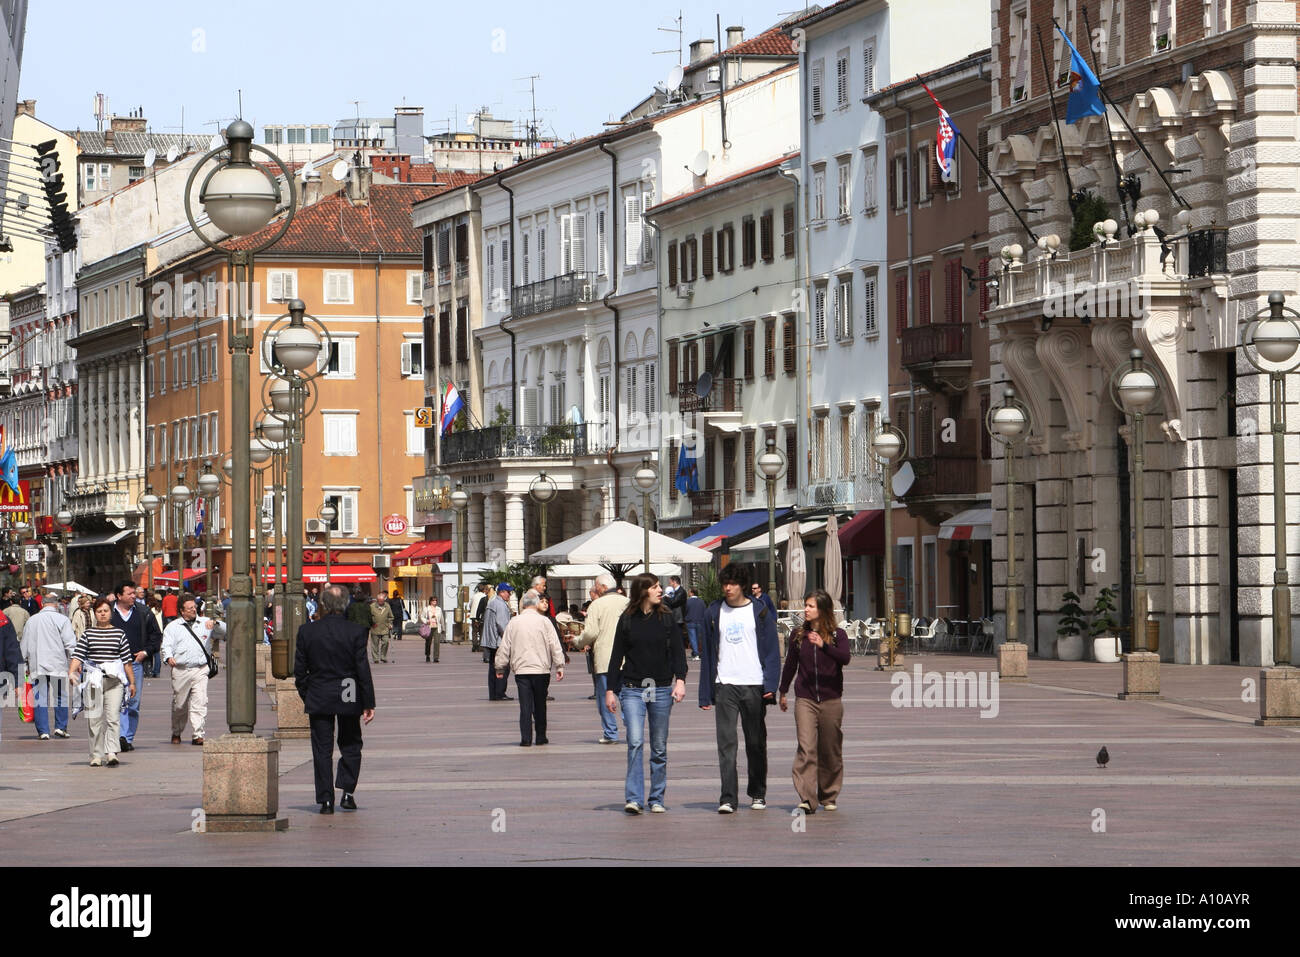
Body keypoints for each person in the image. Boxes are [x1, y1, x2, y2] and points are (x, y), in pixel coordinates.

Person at [698, 563, 781, 814]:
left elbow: (771, 652)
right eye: (725, 583)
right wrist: (705, 692)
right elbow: (708, 656)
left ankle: (757, 792)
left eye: (732, 583)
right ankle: (728, 798)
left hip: (754, 684)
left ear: (742, 585)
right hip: (725, 684)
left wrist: (771, 685)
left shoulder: (760, 611)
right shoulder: (713, 612)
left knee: (755, 742)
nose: (727, 588)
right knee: (726, 743)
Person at [605, 573, 688, 814]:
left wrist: (680, 680)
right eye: (654, 587)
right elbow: (616, 656)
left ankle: (656, 798)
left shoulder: (667, 618)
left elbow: (678, 654)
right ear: (643, 591)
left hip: (661, 688)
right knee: (635, 741)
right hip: (632, 689)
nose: (660, 590)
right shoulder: (627, 620)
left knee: (659, 747)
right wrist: (610, 690)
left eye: (659, 586)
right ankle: (633, 798)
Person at [294, 583, 376, 814]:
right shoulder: (356, 632)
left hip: (319, 690)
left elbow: (300, 671)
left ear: (323, 604)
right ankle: (347, 792)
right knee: (350, 743)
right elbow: (362, 669)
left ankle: (325, 800)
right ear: (346, 603)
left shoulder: (307, 631)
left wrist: (307, 693)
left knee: (321, 748)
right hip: (348, 689)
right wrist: (368, 702)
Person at [779, 589, 850, 813]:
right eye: (806, 606)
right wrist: (782, 691)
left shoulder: (838, 635)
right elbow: (790, 665)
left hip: (831, 699)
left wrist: (823, 645)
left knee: (830, 749)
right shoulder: (798, 636)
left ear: (823, 610)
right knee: (806, 747)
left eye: (811, 606)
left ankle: (828, 796)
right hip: (806, 699)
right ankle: (808, 799)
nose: (806, 610)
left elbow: (845, 658)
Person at [69, 597, 136, 767]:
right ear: (95, 614)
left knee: (113, 718)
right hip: (94, 681)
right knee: (94, 719)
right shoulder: (88, 634)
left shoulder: (119, 634)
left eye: (105, 611)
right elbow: (78, 655)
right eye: (99, 611)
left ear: (110, 613)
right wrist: (71, 672)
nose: (103, 614)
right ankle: (96, 754)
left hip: (115, 682)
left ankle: (111, 752)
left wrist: (132, 682)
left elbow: (127, 660)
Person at [494, 590, 565, 746]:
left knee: (525, 706)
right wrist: (559, 665)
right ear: (536, 604)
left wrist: (499, 667)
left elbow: (505, 646)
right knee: (540, 704)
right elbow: (555, 645)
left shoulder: (514, 622)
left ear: (523, 605)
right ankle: (541, 736)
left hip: (522, 671)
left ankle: (526, 738)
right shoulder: (544, 621)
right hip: (541, 670)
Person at [573, 573, 628, 744]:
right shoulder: (628, 602)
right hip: (627, 658)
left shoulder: (596, 605)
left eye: (597, 586)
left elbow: (591, 632)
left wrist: (577, 642)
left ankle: (611, 733)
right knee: (627, 695)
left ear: (603, 587)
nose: (595, 589)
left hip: (605, 658)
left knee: (605, 696)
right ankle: (633, 727)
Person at [111, 582, 162, 753]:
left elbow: (156, 636)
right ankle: (119, 736)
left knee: (132, 702)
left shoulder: (143, 612)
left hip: (135, 664)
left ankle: (127, 737)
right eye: (130, 593)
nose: (134, 596)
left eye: (134, 593)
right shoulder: (108, 612)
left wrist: (146, 652)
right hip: (112, 664)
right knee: (115, 702)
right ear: (119, 595)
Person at [161, 596, 215, 746]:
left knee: (200, 702)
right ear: (182, 611)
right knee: (180, 705)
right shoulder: (172, 627)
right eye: (190, 608)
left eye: (194, 607)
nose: (193, 609)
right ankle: (176, 731)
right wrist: (168, 657)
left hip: (201, 669)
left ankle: (198, 734)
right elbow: (166, 645)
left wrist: (217, 624)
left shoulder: (206, 623)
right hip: (181, 670)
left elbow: (224, 631)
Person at [20, 598, 77, 740]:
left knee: (40, 698)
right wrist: (76, 662)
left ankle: (43, 731)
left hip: (37, 664)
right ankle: (60, 727)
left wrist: (24, 665)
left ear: (42, 604)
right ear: (56, 604)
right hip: (57, 664)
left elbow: (24, 645)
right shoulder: (62, 619)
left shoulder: (32, 620)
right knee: (61, 696)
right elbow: (70, 643)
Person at [481, 583, 513, 701]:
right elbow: (502, 625)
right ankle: (500, 693)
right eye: (508, 592)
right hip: (499, 641)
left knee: (493, 667)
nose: (509, 594)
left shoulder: (492, 602)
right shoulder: (500, 605)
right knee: (503, 666)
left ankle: (493, 693)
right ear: (502, 592)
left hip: (491, 641)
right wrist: (508, 640)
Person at [0, 606, 20, 748]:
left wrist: (18, 680)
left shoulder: (3, 621)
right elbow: (12, 650)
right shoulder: (2, 620)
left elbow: (12, 650)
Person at [684, 587, 707, 661]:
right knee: (698, 638)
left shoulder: (688, 601)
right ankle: (698, 653)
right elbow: (705, 611)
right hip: (700, 621)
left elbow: (685, 610)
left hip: (690, 621)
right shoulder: (701, 601)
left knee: (693, 638)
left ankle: (696, 653)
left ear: (691, 593)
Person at [367, 597, 392, 664]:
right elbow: (368, 616)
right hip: (375, 628)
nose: (381, 602)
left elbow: (390, 616)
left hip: (385, 628)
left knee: (386, 642)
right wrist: (371, 624)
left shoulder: (387, 606)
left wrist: (390, 623)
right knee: (375, 644)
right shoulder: (372, 606)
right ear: (377, 601)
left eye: (383, 601)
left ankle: (383, 657)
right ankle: (375, 658)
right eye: (380, 601)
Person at [146, 595, 166, 677]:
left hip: (152, 631)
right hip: (160, 632)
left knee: (150, 651)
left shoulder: (149, 610)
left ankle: (150, 670)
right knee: (157, 652)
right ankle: (157, 671)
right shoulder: (159, 609)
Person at [420, 596, 442, 662]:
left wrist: (443, 628)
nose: (435, 602)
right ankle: (427, 655)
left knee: (437, 642)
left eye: (435, 600)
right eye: (433, 600)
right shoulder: (426, 609)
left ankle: (436, 658)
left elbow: (441, 618)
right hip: (429, 627)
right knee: (428, 642)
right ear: (430, 601)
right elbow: (422, 617)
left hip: (437, 627)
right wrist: (427, 621)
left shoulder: (439, 609)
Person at [471, 584, 490, 650]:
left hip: (474, 615)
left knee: (474, 631)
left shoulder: (474, 596)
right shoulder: (485, 597)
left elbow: (470, 605)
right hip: (482, 616)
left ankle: (474, 645)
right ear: (484, 590)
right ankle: (481, 646)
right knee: (481, 631)